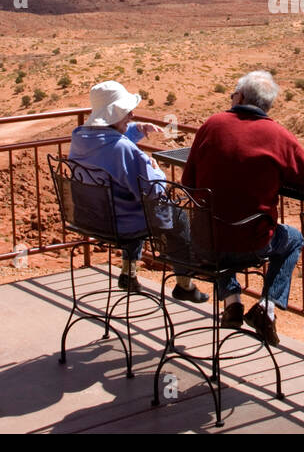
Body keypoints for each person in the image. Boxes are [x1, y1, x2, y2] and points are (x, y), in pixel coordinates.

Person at [182, 70, 304, 345]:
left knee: (219, 225)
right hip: (252, 245)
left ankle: (232, 299)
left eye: (233, 93)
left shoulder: (212, 124)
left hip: (204, 243)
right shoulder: (278, 135)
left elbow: (188, 181)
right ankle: (267, 308)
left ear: (241, 97)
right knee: (292, 239)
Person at [69, 81, 207, 302]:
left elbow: (109, 148)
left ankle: (128, 272)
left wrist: (135, 130)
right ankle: (185, 283)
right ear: (113, 113)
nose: (132, 114)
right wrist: (155, 168)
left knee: (129, 199)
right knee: (176, 217)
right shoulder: (122, 149)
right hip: (121, 223)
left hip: (91, 218)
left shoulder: (80, 138)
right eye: (126, 112)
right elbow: (153, 190)